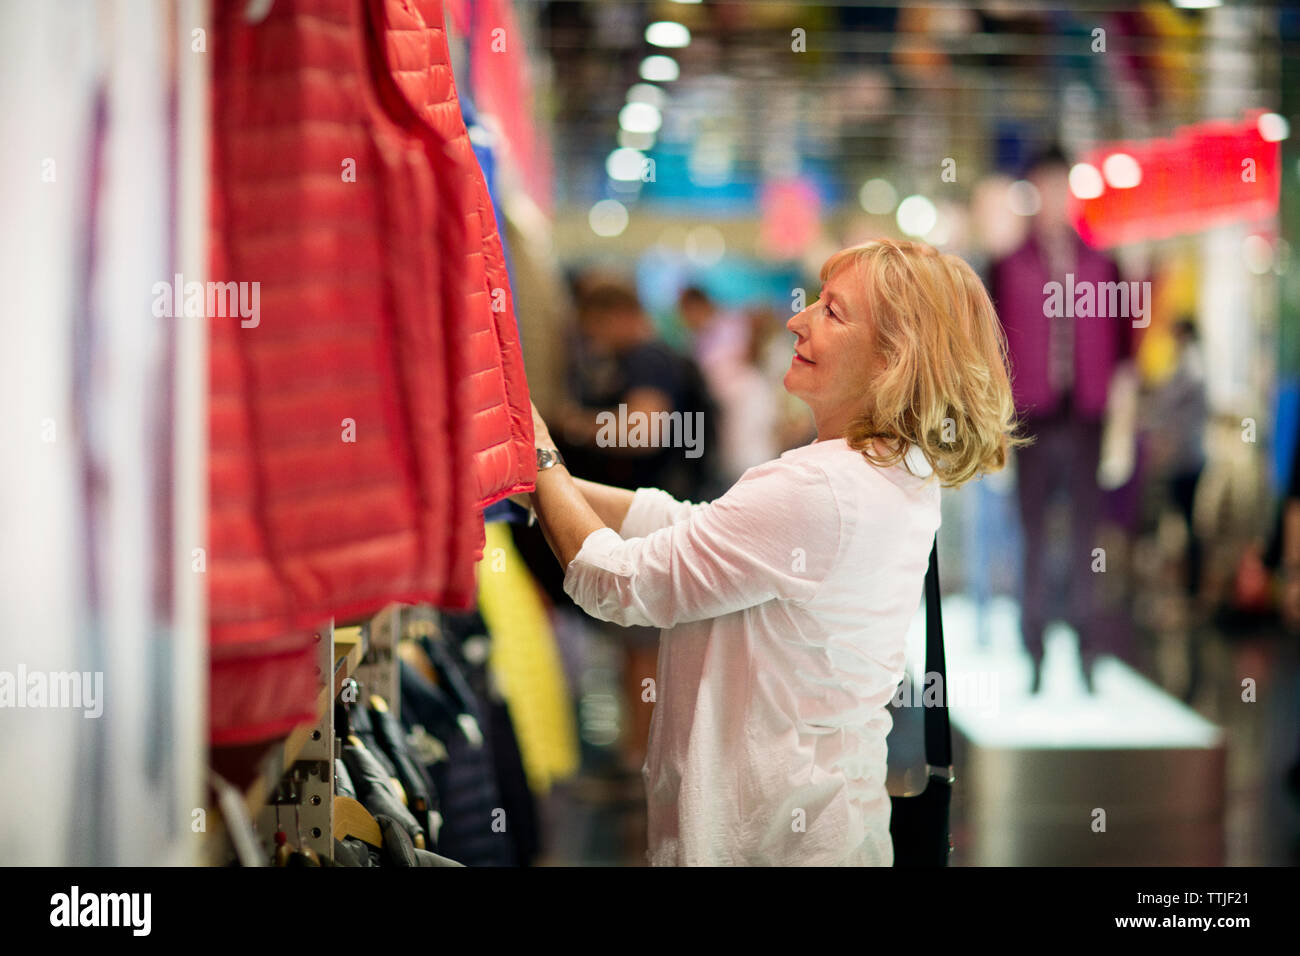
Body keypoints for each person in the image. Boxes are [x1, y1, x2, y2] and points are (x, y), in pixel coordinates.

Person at [514, 239, 1022, 866]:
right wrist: (539, 485)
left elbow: (619, 584)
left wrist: (540, 459)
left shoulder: (821, 487)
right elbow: (695, 530)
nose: (796, 319)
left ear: (894, 360)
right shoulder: (898, 473)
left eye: (832, 313)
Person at [990, 145, 1134, 696]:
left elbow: (1124, 353)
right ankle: (1034, 651)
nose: (1053, 199)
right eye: (1043, 187)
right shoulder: (1006, 267)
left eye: (1061, 186)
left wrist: (1121, 428)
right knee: (1030, 537)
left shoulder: (1105, 264)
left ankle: (1089, 647)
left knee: (1084, 540)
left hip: (1088, 420)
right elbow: (992, 352)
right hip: (1030, 420)